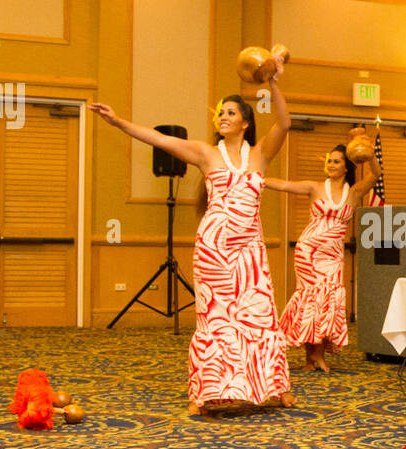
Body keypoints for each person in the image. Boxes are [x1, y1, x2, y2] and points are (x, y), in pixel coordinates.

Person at [89, 58, 295, 416]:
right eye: (220, 113)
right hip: (214, 249)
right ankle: (204, 393)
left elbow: (286, 122)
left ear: (245, 122)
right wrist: (118, 121)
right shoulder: (205, 153)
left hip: (249, 252)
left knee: (258, 317)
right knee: (214, 318)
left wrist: (272, 82)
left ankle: (274, 386)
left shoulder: (260, 154)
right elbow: (158, 138)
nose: (223, 117)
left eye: (231, 113)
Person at [265, 144, 381, 372]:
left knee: (328, 300)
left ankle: (313, 357)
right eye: (329, 160)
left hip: (334, 254)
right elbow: (285, 185)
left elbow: (376, 174)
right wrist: (256, 178)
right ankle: (315, 356)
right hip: (309, 251)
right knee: (311, 301)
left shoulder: (355, 192)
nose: (330, 165)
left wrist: (367, 153)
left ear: (346, 167)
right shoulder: (314, 187)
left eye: (336, 161)